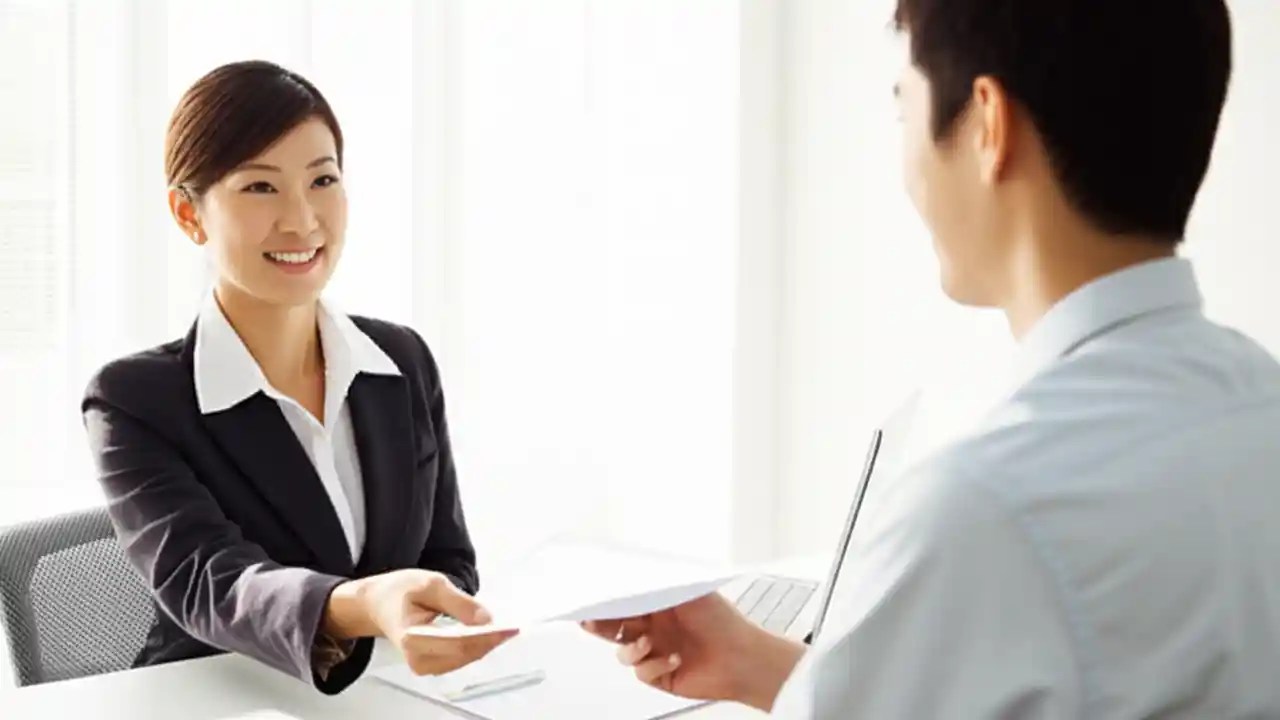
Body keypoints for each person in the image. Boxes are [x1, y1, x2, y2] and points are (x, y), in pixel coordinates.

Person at [587, 0, 1280, 716]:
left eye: (903, 111)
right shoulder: (1259, 409)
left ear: (987, 125)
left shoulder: (984, 508)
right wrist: (758, 665)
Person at [81, 60, 514, 695]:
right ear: (188, 213)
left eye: (322, 180)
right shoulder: (135, 399)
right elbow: (210, 582)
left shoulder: (400, 361)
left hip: (378, 701)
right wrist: (364, 606)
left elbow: (447, 561)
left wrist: (438, 620)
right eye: (261, 187)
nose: (302, 220)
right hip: (215, 701)